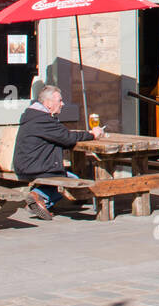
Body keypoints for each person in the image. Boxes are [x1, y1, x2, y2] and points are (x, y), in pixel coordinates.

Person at [14, 85, 105, 220]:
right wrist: (92, 134)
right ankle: (38, 196)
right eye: (60, 100)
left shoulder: (34, 116)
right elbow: (67, 139)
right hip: (36, 166)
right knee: (73, 181)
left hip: (29, 164)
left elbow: (62, 136)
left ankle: (37, 203)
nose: (62, 104)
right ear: (48, 103)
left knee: (67, 177)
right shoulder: (43, 120)